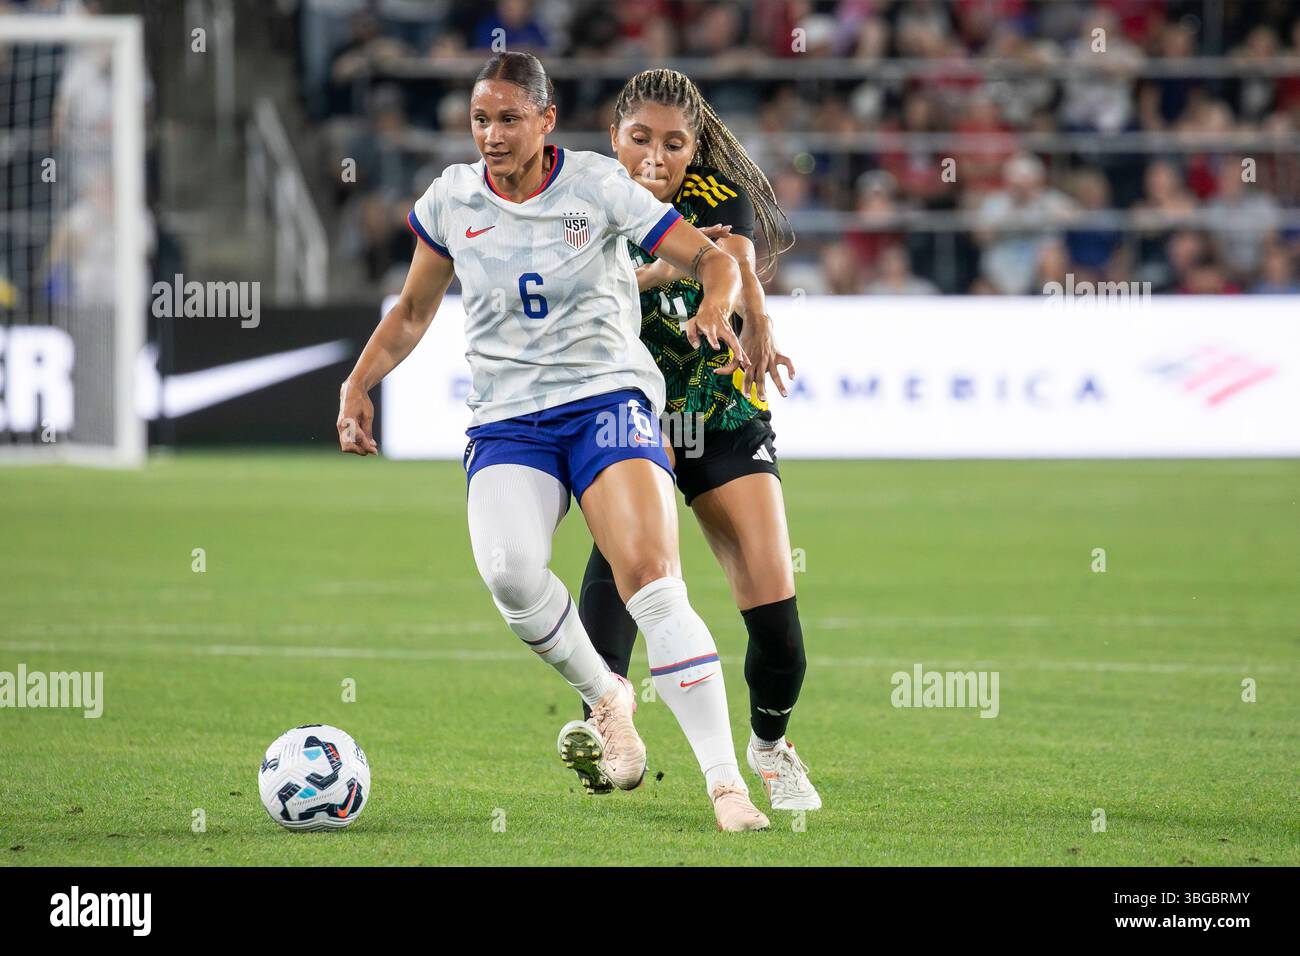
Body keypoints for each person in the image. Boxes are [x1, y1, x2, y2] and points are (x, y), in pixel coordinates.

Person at [337, 52, 769, 831]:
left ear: (544, 119)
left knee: (650, 578)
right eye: (479, 120)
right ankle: (609, 697)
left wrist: (716, 303)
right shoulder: (451, 199)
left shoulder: (599, 185)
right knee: (508, 573)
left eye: (508, 119)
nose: (492, 135)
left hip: (606, 394)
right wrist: (359, 383)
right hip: (508, 416)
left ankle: (725, 785)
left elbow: (710, 257)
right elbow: (410, 312)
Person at [559, 68, 821, 811]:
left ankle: (769, 745)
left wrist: (742, 312)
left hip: (718, 405)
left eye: (674, 143)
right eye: (640, 139)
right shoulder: (578, 202)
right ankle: (608, 726)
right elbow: (584, 293)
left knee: (776, 612)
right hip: (627, 403)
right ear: (614, 138)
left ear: (695, 145)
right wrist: (665, 270)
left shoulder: (711, 193)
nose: (655, 157)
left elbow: (731, 259)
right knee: (627, 561)